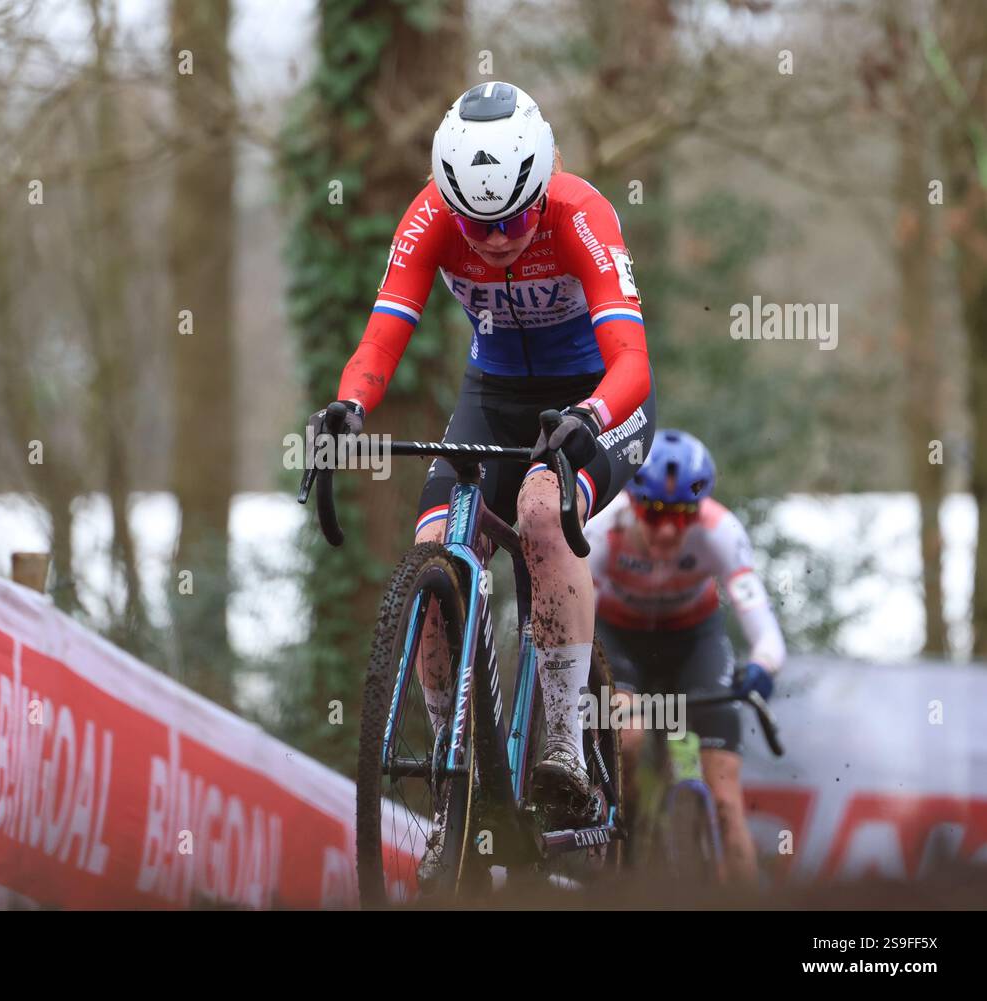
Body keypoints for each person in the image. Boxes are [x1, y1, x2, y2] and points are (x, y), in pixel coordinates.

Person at [307, 81, 655, 879]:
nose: (495, 239)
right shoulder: (429, 216)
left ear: (540, 188)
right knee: (435, 543)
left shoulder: (580, 213)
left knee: (540, 508)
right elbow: (384, 332)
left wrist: (591, 418)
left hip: (597, 396)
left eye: (511, 219)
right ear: (447, 197)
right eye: (477, 222)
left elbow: (631, 360)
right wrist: (348, 407)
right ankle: (453, 789)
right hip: (493, 400)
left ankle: (562, 744)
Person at [584, 428, 786, 884]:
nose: (670, 529)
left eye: (682, 514)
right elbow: (572, 616)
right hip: (620, 640)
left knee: (727, 799)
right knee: (629, 737)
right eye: (655, 514)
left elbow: (764, 630)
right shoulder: (601, 527)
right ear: (632, 504)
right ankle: (627, 836)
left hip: (694, 642)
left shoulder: (720, 531)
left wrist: (762, 667)